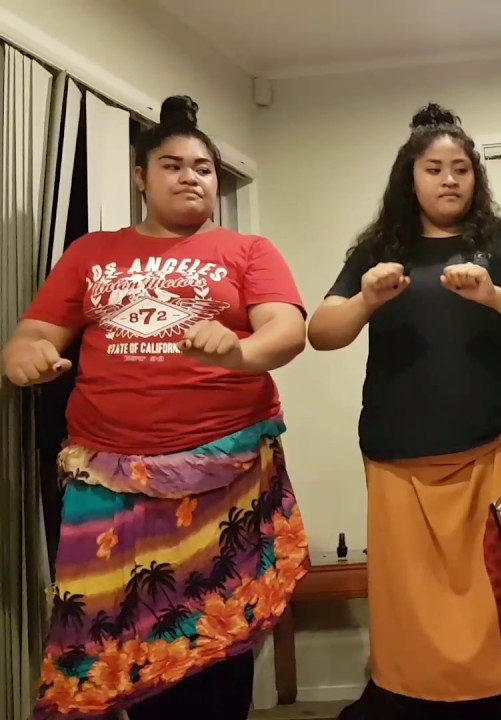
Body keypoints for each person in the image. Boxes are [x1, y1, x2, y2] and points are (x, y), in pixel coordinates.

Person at [2, 95, 310, 720]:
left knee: (218, 642)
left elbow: (285, 329)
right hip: (111, 484)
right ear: (141, 177)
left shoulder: (248, 251)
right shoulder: (91, 253)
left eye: (202, 166)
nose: (191, 175)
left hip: (225, 477)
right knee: (120, 644)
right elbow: (31, 336)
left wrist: (242, 351)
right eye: (172, 164)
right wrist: (25, 359)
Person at [306, 103, 501, 720]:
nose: (450, 179)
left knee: (495, 621)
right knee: (410, 624)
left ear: (476, 178)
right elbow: (322, 331)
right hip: (400, 468)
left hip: (493, 460)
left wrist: (492, 293)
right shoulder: (381, 249)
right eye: (434, 168)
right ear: (411, 177)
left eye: (461, 168)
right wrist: (367, 298)